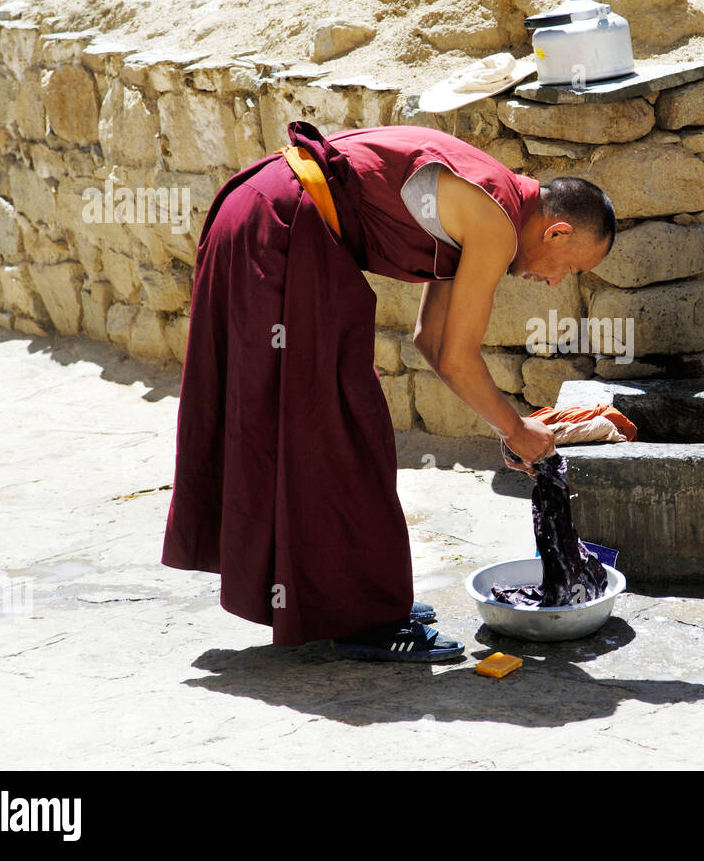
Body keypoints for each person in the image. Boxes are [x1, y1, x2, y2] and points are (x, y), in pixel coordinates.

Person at [160, 121, 615, 663]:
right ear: (557, 233)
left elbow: (431, 342)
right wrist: (518, 429)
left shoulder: (491, 205)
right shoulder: (496, 221)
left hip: (263, 211)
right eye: (573, 268)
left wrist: (510, 431)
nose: (558, 281)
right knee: (345, 428)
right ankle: (371, 620)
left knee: (323, 424)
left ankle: (345, 599)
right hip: (281, 225)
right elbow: (455, 355)